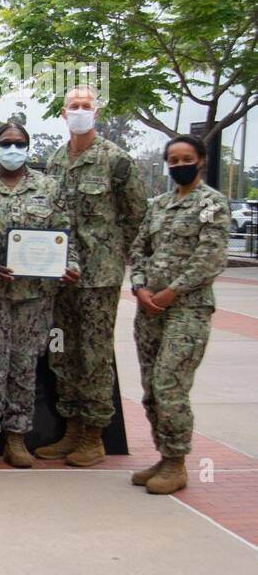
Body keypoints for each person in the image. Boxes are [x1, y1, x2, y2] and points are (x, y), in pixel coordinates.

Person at [39, 85, 147, 466]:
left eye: (86, 106)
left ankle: (94, 435)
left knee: (95, 354)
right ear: (63, 114)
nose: (80, 111)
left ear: (95, 114)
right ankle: (71, 429)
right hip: (59, 276)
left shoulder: (117, 161)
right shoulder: (54, 162)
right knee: (63, 351)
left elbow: (137, 221)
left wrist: (130, 268)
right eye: (74, 106)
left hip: (99, 277)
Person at [0, 122, 79, 470]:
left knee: (24, 367)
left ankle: (16, 438)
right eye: (6, 143)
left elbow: (64, 234)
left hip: (35, 297)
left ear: (28, 148)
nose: (12, 149)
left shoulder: (48, 188)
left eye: (19, 143)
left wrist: (69, 264)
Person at [127, 134, 228, 495]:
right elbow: (139, 249)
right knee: (152, 386)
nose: (179, 165)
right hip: (149, 307)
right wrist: (139, 286)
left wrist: (173, 291)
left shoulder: (212, 204)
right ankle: (164, 453)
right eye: (173, 160)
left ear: (201, 160)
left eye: (186, 158)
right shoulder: (158, 205)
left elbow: (211, 258)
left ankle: (177, 462)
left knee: (170, 383)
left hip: (187, 308)